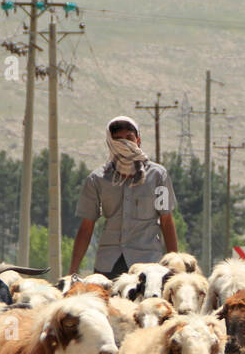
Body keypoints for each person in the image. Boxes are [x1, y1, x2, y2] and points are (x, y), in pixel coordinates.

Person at [69, 115, 179, 277]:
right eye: (118, 139)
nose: (125, 143)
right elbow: (86, 226)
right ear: (110, 143)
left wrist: (175, 267)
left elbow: (166, 221)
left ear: (138, 140)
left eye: (129, 138)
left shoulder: (158, 176)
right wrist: (73, 271)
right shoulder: (97, 179)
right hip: (108, 263)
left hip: (148, 264)